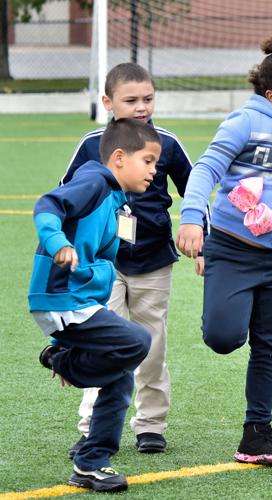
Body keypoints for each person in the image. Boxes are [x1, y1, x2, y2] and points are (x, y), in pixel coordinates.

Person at [175, 36, 272, 466]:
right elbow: (206, 169)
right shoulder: (244, 122)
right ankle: (230, 323)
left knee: (270, 347)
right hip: (233, 251)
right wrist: (190, 218)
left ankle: (257, 433)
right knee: (223, 338)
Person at [58, 62, 198, 458]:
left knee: (151, 345)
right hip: (103, 265)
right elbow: (64, 197)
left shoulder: (167, 143)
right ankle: (92, 428)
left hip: (154, 261)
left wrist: (198, 229)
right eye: (131, 100)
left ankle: (151, 424)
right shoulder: (91, 145)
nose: (141, 107)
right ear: (108, 102)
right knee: (106, 346)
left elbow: (196, 190)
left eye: (148, 99)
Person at [31, 118, 158, 492]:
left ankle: (91, 463)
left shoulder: (117, 201)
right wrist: (59, 245)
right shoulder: (93, 183)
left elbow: (102, 260)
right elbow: (47, 204)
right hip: (62, 297)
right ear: (119, 158)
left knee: (120, 374)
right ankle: (62, 363)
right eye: (148, 161)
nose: (154, 170)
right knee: (138, 341)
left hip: (81, 302)